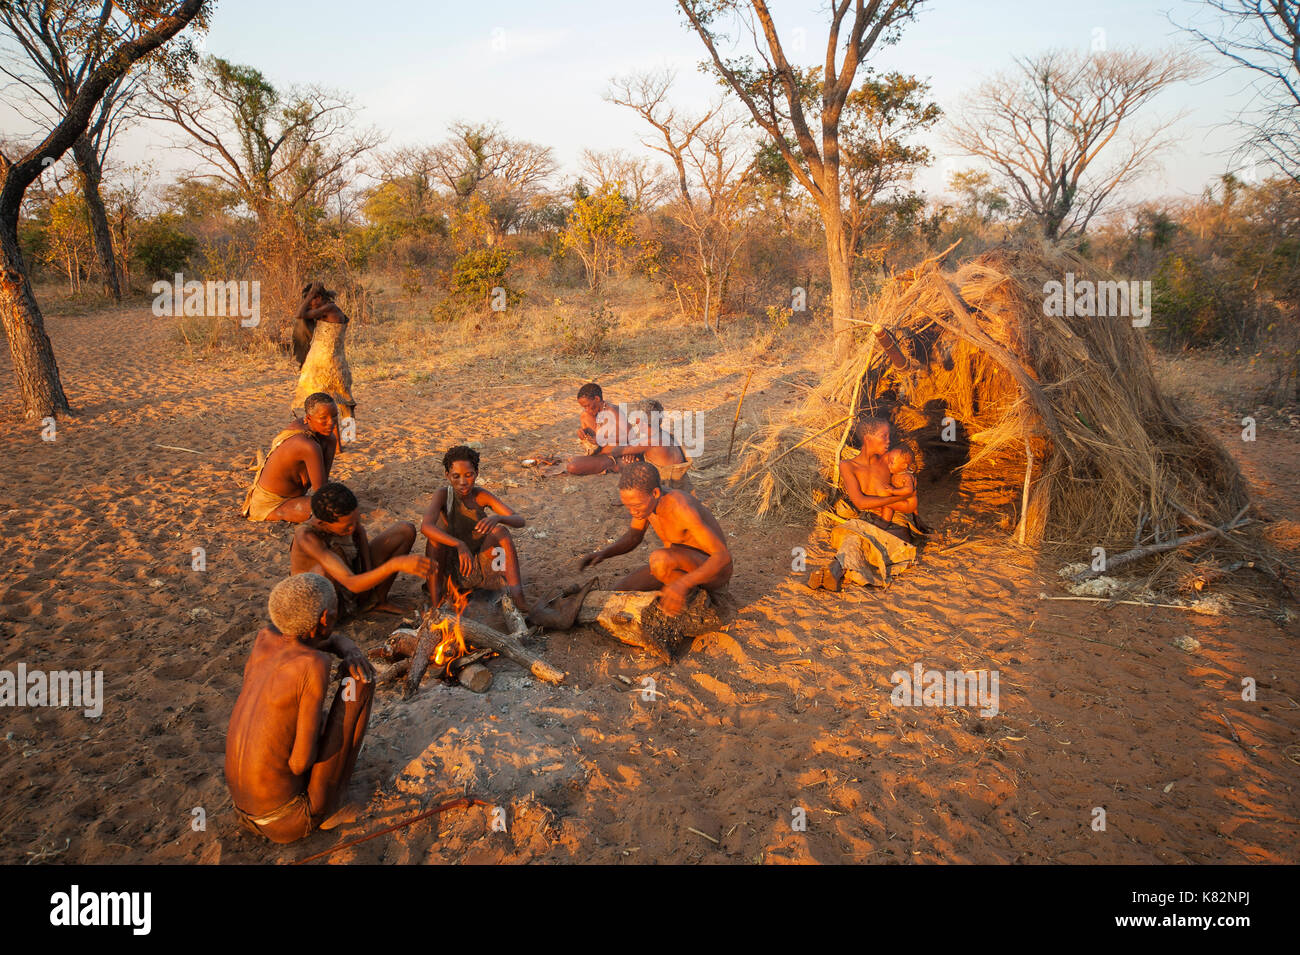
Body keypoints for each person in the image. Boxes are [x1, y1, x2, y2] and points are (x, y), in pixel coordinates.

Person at [225, 573, 374, 844]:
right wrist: (320, 728)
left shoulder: (264, 638)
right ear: (326, 618)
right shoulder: (313, 664)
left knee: (320, 714)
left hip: (244, 812)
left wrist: (347, 646)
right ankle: (334, 802)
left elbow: (317, 640)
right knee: (360, 679)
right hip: (287, 820)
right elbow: (299, 763)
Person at [578, 461, 732, 615]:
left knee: (659, 560)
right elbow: (633, 537)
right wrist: (603, 554)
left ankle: (698, 605)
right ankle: (683, 593)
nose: (633, 512)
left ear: (655, 493)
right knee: (614, 594)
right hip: (676, 567)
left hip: (713, 572)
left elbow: (723, 557)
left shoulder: (681, 508)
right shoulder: (646, 504)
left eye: (636, 506)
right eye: (628, 506)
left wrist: (683, 584)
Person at [289, 482, 429, 617]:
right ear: (322, 523)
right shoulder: (307, 537)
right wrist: (394, 565)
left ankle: (377, 602)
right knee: (322, 571)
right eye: (347, 526)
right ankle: (343, 613)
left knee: (405, 530)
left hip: (352, 577)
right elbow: (351, 583)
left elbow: (360, 534)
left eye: (355, 521)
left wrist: (368, 575)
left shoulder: (347, 519)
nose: (353, 527)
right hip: (327, 599)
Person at [812, 418, 919, 590]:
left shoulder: (890, 462)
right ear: (868, 438)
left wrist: (902, 497)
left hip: (894, 524)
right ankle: (835, 571)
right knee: (858, 538)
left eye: (888, 436)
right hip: (868, 520)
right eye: (883, 436)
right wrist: (894, 499)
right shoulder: (848, 466)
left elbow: (910, 488)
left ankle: (835, 570)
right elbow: (861, 503)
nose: (888, 440)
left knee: (864, 540)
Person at [420, 445, 530, 612]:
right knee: (434, 539)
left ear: (477, 473)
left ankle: (519, 600)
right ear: (447, 475)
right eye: (456, 476)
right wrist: (459, 545)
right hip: (449, 570)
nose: (463, 482)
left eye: (469, 475)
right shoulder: (443, 495)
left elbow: (519, 520)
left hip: (476, 567)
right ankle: (437, 605)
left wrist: (498, 517)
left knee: (501, 532)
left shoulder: (481, 496)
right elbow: (425, 526)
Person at [241, 393, 338, 523]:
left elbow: (322, 486)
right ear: (308, 418)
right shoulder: (308, 445)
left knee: (331, 439)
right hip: (270, 504)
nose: (331, 422)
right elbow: (321, 492)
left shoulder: (318, 434)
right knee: (333, 510)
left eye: (335, 416)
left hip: (294, 497)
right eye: (323, 418)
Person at [292, 282, 355, 424]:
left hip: (328, 364)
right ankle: (343, 439)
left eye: (312, 299)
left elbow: (299, 314)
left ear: (319, 297)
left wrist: (310, 295)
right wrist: (310, 297)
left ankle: (345, 438)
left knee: (339, 403)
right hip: (326, 362)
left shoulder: (329, 308)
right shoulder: (326, 310)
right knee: (338, 402)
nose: (309, 304)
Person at [565, 382, 640, 475]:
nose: (587, 409)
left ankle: (617, 465)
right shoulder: (588, 415)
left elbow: (631, 436)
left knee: (572, 466)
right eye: (584, 407)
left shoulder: (613, 411)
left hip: (613, 456)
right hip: (600, 454)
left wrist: (631, 451)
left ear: (597, 399)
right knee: (572, 461)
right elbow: (594, 443)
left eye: (587, 405)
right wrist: (584, 433)